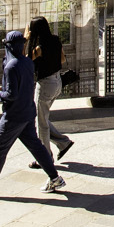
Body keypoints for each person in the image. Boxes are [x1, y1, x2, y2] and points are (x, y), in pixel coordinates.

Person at [0, 29, 66, 199]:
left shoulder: (11, 66)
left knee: (0, 149)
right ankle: (55, 178)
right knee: (37, 147)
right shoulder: (27, 62)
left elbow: (11, 95)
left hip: (13, 116)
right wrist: (4, 89)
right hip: (28, 113)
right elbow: (23, 86)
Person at [26, 15, 75, 163]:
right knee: (42, 118)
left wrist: (26, 39)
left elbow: (25, 60)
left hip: (45, 85)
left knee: (41, 123)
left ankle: (45, 158)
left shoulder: (39, 48)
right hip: (57, 82)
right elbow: (62, 60)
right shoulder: (55, 40)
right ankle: (63, 143)